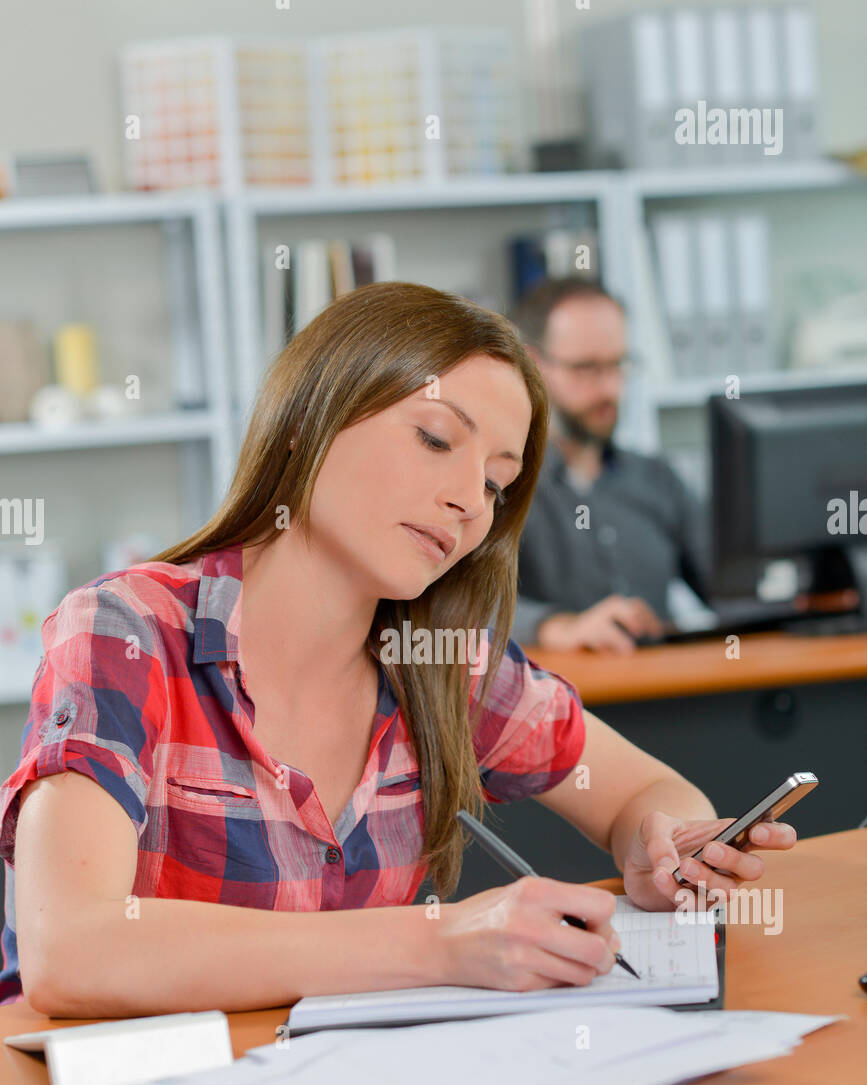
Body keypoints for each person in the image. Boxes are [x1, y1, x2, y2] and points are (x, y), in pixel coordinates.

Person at [0, 282, 795, 1017]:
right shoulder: (126, 632)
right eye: (434, 437)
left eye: (496, 482)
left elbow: (646, 792)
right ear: (312, 417)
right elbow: (70, 950)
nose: (466, 502)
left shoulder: (442, 662)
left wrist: (665, 850)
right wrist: (439, 942)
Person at [509, 276, 710, 653]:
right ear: (533, 365)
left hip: (667, 695)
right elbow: (460, 612)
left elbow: (734, 586)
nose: (610, 389)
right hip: (561, 704)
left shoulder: (657, 479)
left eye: (617, 365)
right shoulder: (500, 485)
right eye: (587, 369)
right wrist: (558, 628)